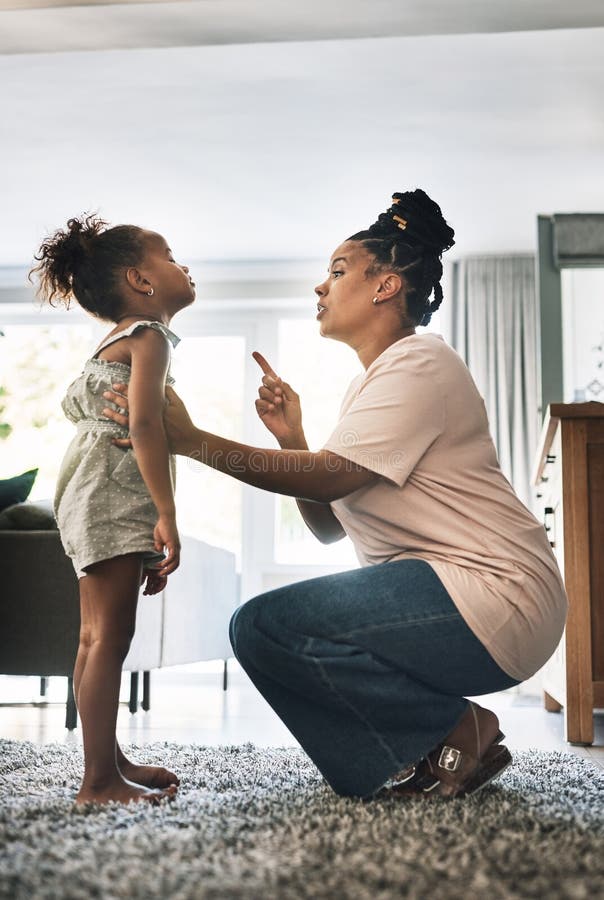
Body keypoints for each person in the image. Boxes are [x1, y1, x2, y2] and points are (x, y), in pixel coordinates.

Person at [102, 189, 568, 800]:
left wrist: (188, 440)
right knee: (263, 632)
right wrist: (295, 438)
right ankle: (441, 748)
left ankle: (455, 730)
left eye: (338, 271)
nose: (322, 287)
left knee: (263, 626)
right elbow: (329, 525)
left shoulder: (420, 362)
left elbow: (330, 477)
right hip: (455, 597)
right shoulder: (371, 386)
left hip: (495, 593)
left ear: (386, 286)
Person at [30, 214, 196, 805]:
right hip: (109, 494)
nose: (185, 265)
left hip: (85, 491)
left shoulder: (112, 339)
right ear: (140, 279)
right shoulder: (149, 337)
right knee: (109, 640)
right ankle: (98, 782)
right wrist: (167, 516)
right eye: (172, 255)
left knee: (92, 638)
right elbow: (148, 427)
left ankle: (109, 758)